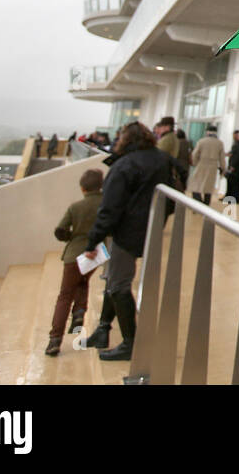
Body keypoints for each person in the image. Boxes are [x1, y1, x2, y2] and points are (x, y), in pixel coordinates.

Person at [82, 122, 172, 361]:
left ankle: (130, 343)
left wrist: (92, 241)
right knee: (114, 280)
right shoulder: (162, 159)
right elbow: (174, 194)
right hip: (151, 229)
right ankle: (102, 330)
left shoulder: (124, 165)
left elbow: (109, 209)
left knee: (118, 285)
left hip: (127, 233)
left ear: (125, 139)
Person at [45, 167, 103, 356]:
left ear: (82, 188)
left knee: (64, 296)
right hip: (95, 254)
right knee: (83, 282)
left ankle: (55, 340)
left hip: (74, 256)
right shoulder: (106, 204)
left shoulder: (75, 207)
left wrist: (72, 236)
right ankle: (79, 312)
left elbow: (59, 231)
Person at [188, 124, 226, 205]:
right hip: (213, 166)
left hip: (202, 164)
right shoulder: (220, 143)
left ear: (207, 132)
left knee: (196, 185)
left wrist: (194, 163)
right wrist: (223, 169)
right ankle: (206, 205)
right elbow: (222, 158)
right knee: (208, 188)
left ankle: (198, 203)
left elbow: (195, 154)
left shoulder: (202, 141)